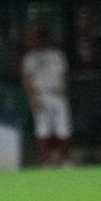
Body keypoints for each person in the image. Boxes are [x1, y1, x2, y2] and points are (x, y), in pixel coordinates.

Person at [21, 27, 72, 165]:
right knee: (42, 128)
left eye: (37, 37)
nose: (34, 41)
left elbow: (64, 75)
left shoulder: (57, 55)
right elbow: (27, 79)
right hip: (41, 95)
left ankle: (63, 159)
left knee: (62, 127)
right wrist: (33, 98)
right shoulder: (29, 57)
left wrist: (64, 92)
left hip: (57, 94)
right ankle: (45, 160)